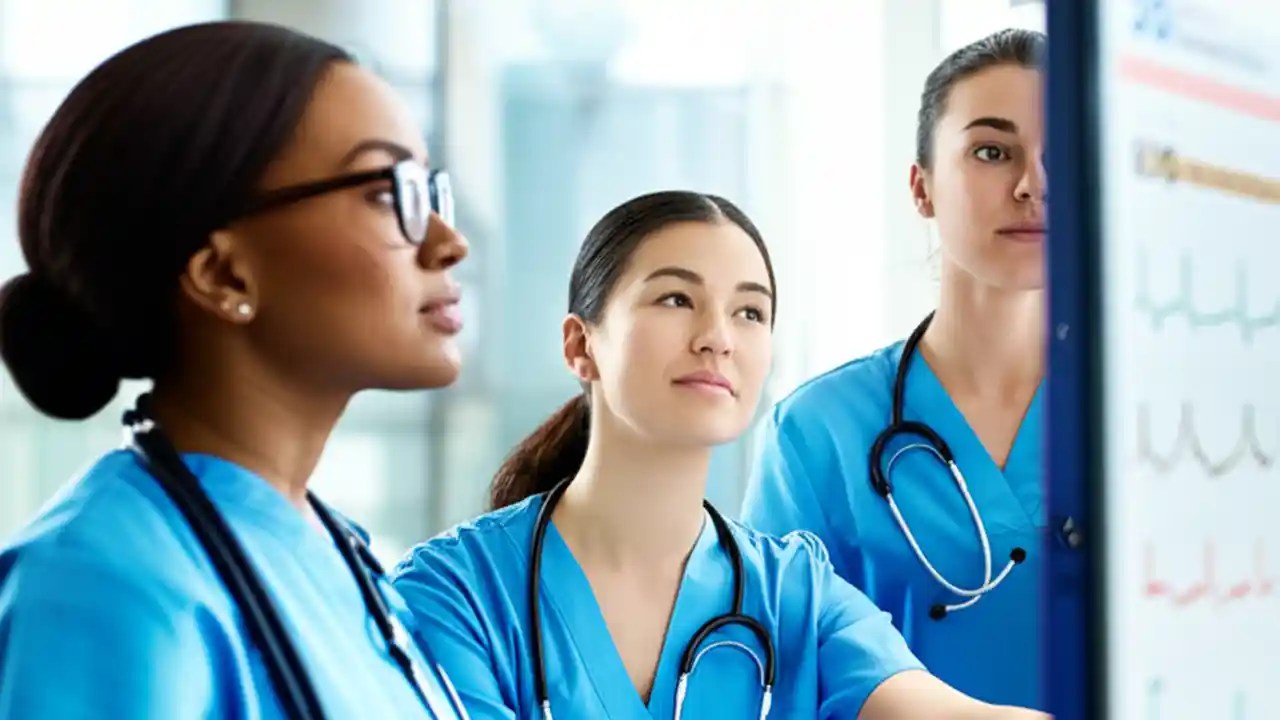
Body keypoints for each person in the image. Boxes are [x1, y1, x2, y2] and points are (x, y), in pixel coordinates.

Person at [390, 191, 1050, 719]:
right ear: (580, 345)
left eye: (750, 313)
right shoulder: (453, 595)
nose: (717, 338)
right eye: (676, 299)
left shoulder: (796, 592)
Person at [0, 21, 471, 719]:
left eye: (429, 189)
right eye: (386, 192)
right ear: (223, 274)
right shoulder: (97, 584)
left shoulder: (342, 556)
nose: (447, 241)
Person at [740, 28, 1050, 710]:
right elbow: (776, 680)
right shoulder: (819, 433)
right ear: (923, 187)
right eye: (992, 152)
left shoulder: (1150, 421)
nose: (1034, 185)